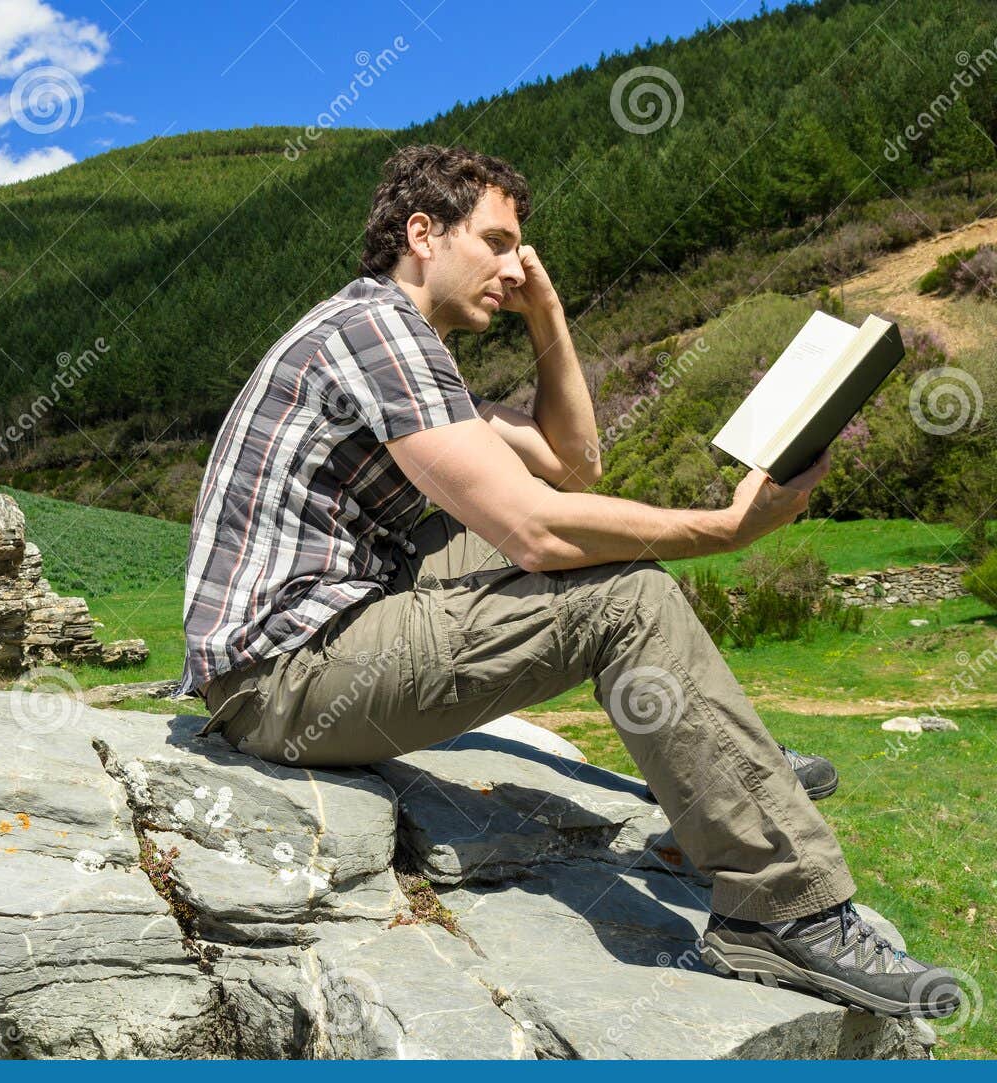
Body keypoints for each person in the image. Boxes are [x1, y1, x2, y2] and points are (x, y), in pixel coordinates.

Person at [178, 143, 960, 1020]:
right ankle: (786, 914)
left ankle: (729, 774)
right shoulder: (378, 337)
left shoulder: (397, 339)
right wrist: (727, 530)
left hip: (342, 613)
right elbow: (536, 529)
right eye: (502, 242)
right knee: (623, 595)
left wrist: (545, 309)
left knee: (614, 559)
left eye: (525, 254)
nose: (516, 267)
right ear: (422, 233)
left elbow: (573, 464)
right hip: (282, 678)